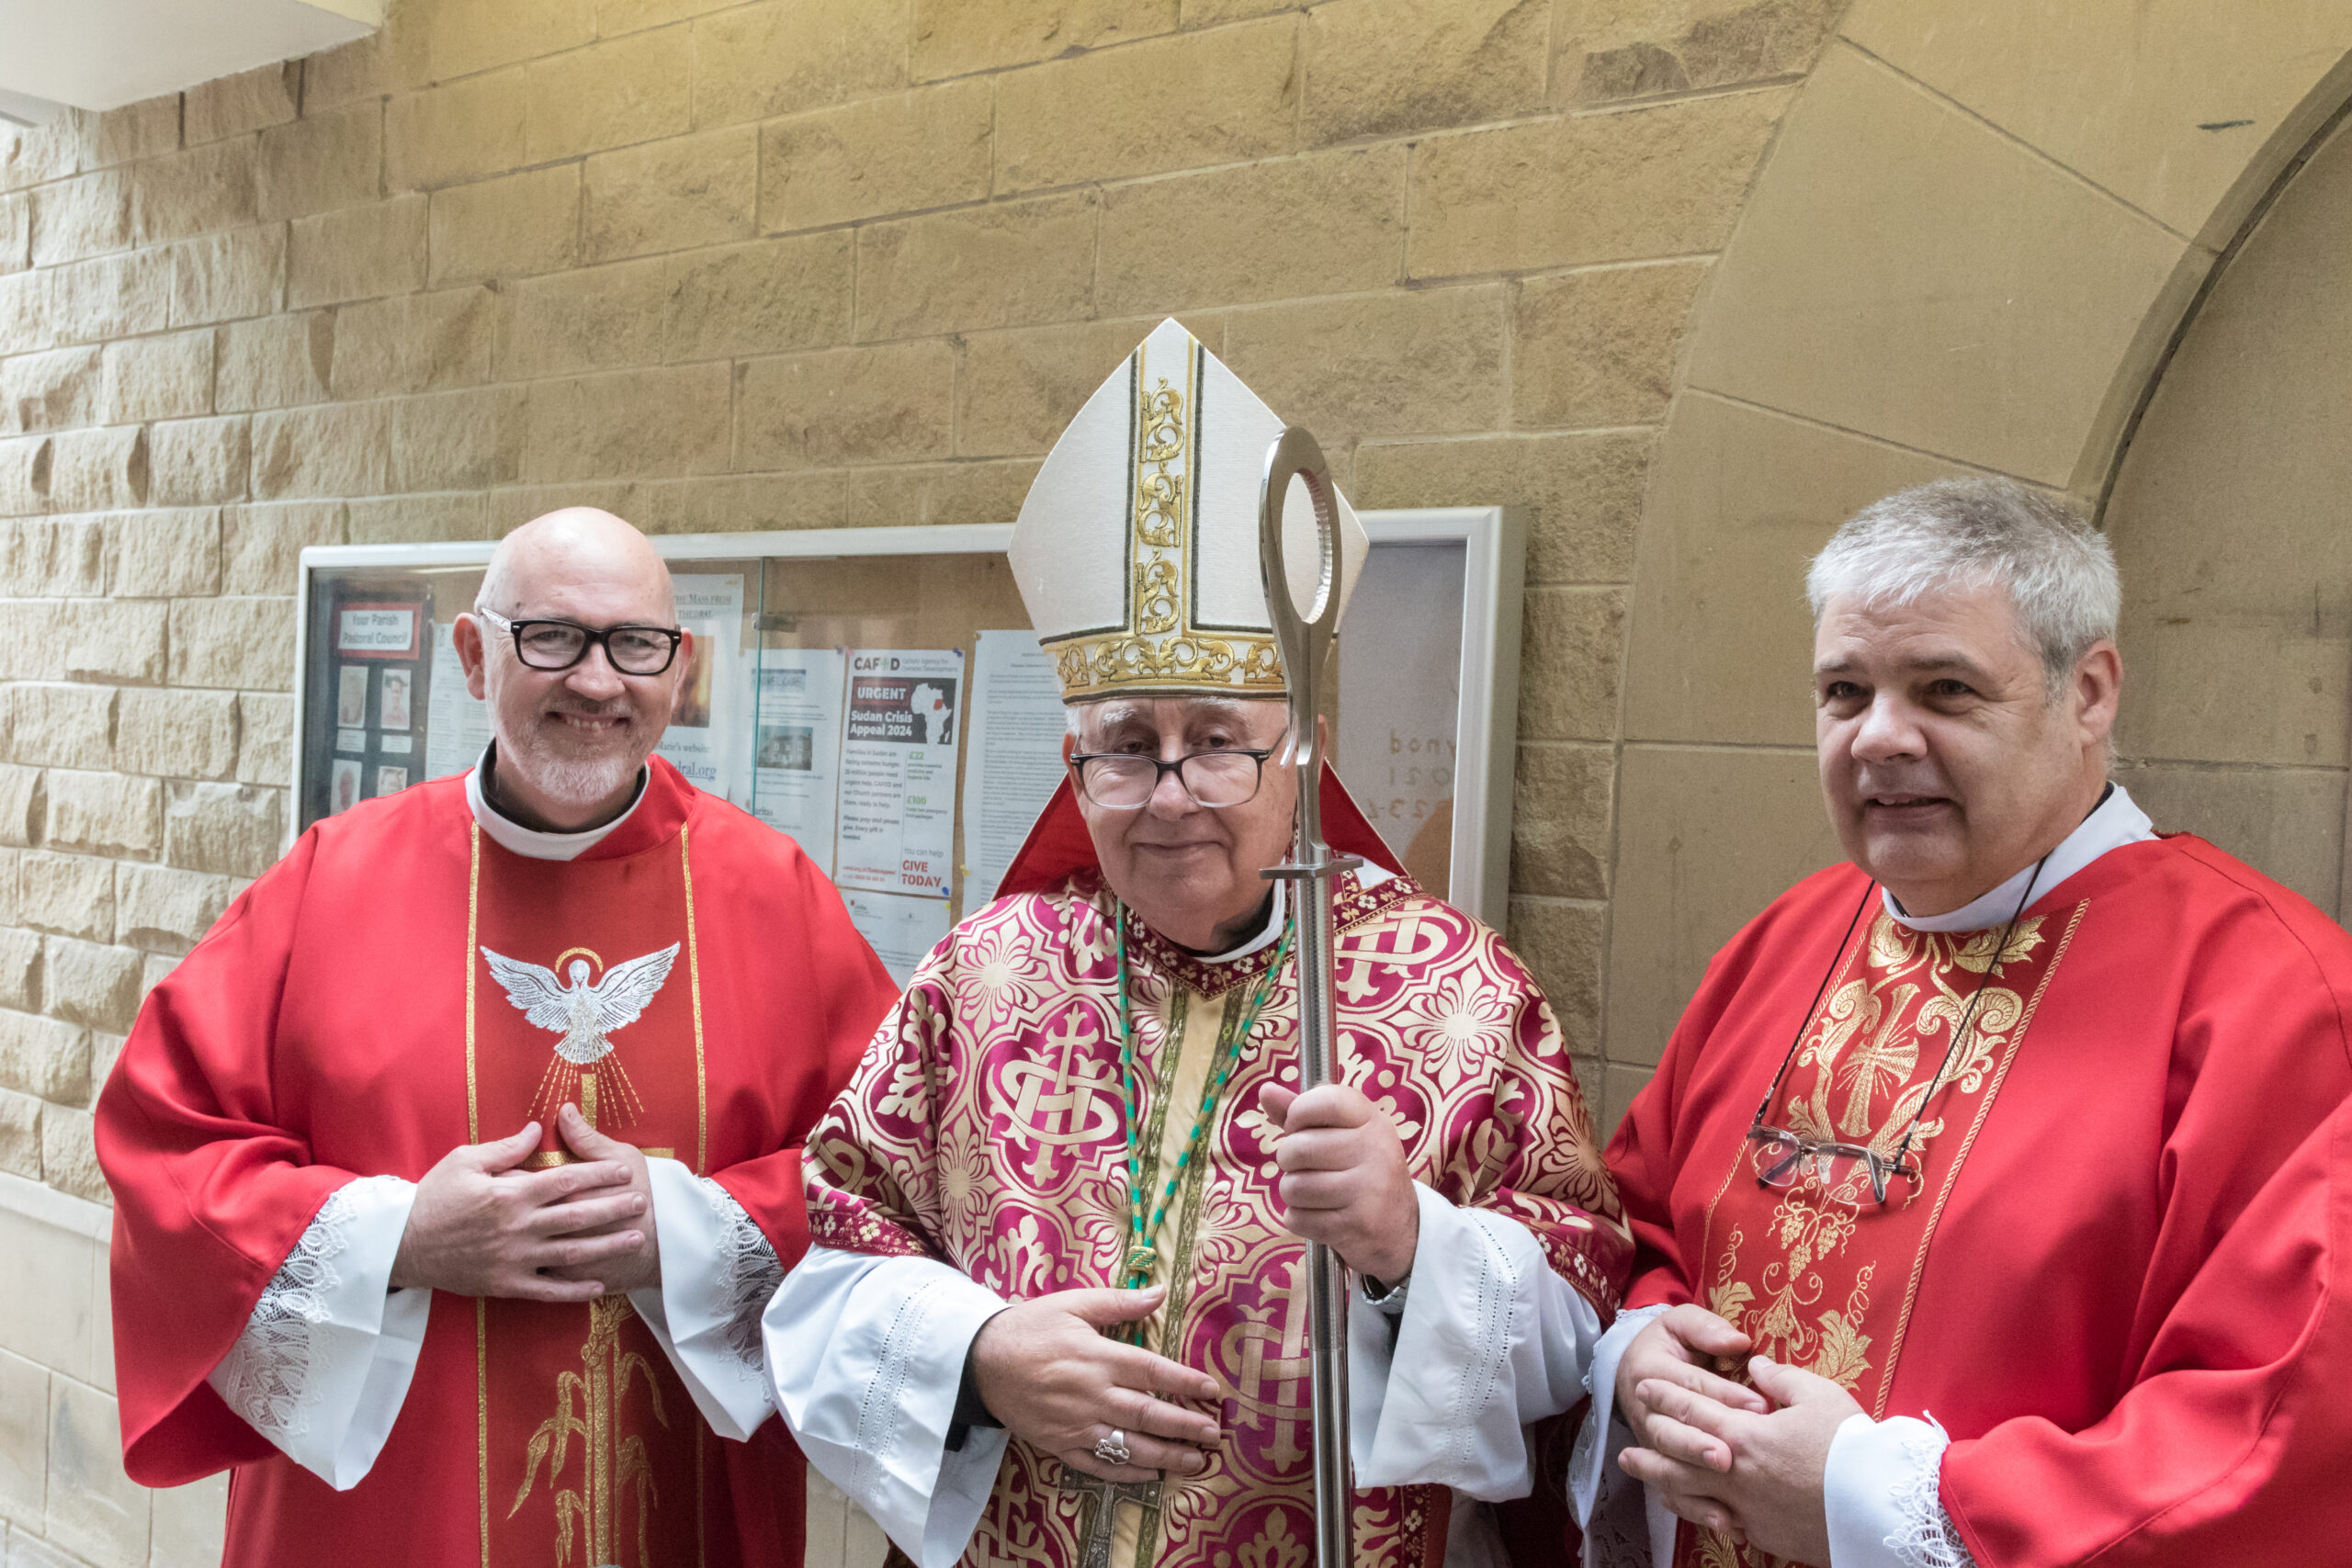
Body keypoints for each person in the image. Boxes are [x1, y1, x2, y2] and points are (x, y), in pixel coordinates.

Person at [768, 318, 1632, 1568]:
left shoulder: (1457, 991)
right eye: (1126, 745)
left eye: (1217, 738)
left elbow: (1577, 1310)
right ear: (1076, 765)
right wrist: (979, 1354)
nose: (1169, 792)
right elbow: (837, 1245)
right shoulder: (984, 973)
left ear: (1305, 745)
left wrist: (1410, 1248)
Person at [1572, 479, 2352, 1568]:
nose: (1880, 739)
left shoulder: (2280, 1003)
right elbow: (1641, 1225)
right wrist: (1640, 1357)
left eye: (1943, 689)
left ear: (2087, 693)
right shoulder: (1785, 940)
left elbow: (2278, 1435)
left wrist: (1864, 1502)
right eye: (1844, 692)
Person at [97, 509, 899, 1567]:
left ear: (679, 667)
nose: (598, 682)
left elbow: (891, 1181)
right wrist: (402, 1237)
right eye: (552, 638)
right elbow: (167, 1153)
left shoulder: (776, 897)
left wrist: (689, 1237)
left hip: (678, 1501)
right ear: (475, 654)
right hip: (389, 1516)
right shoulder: (328, 883)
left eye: (634, 644)